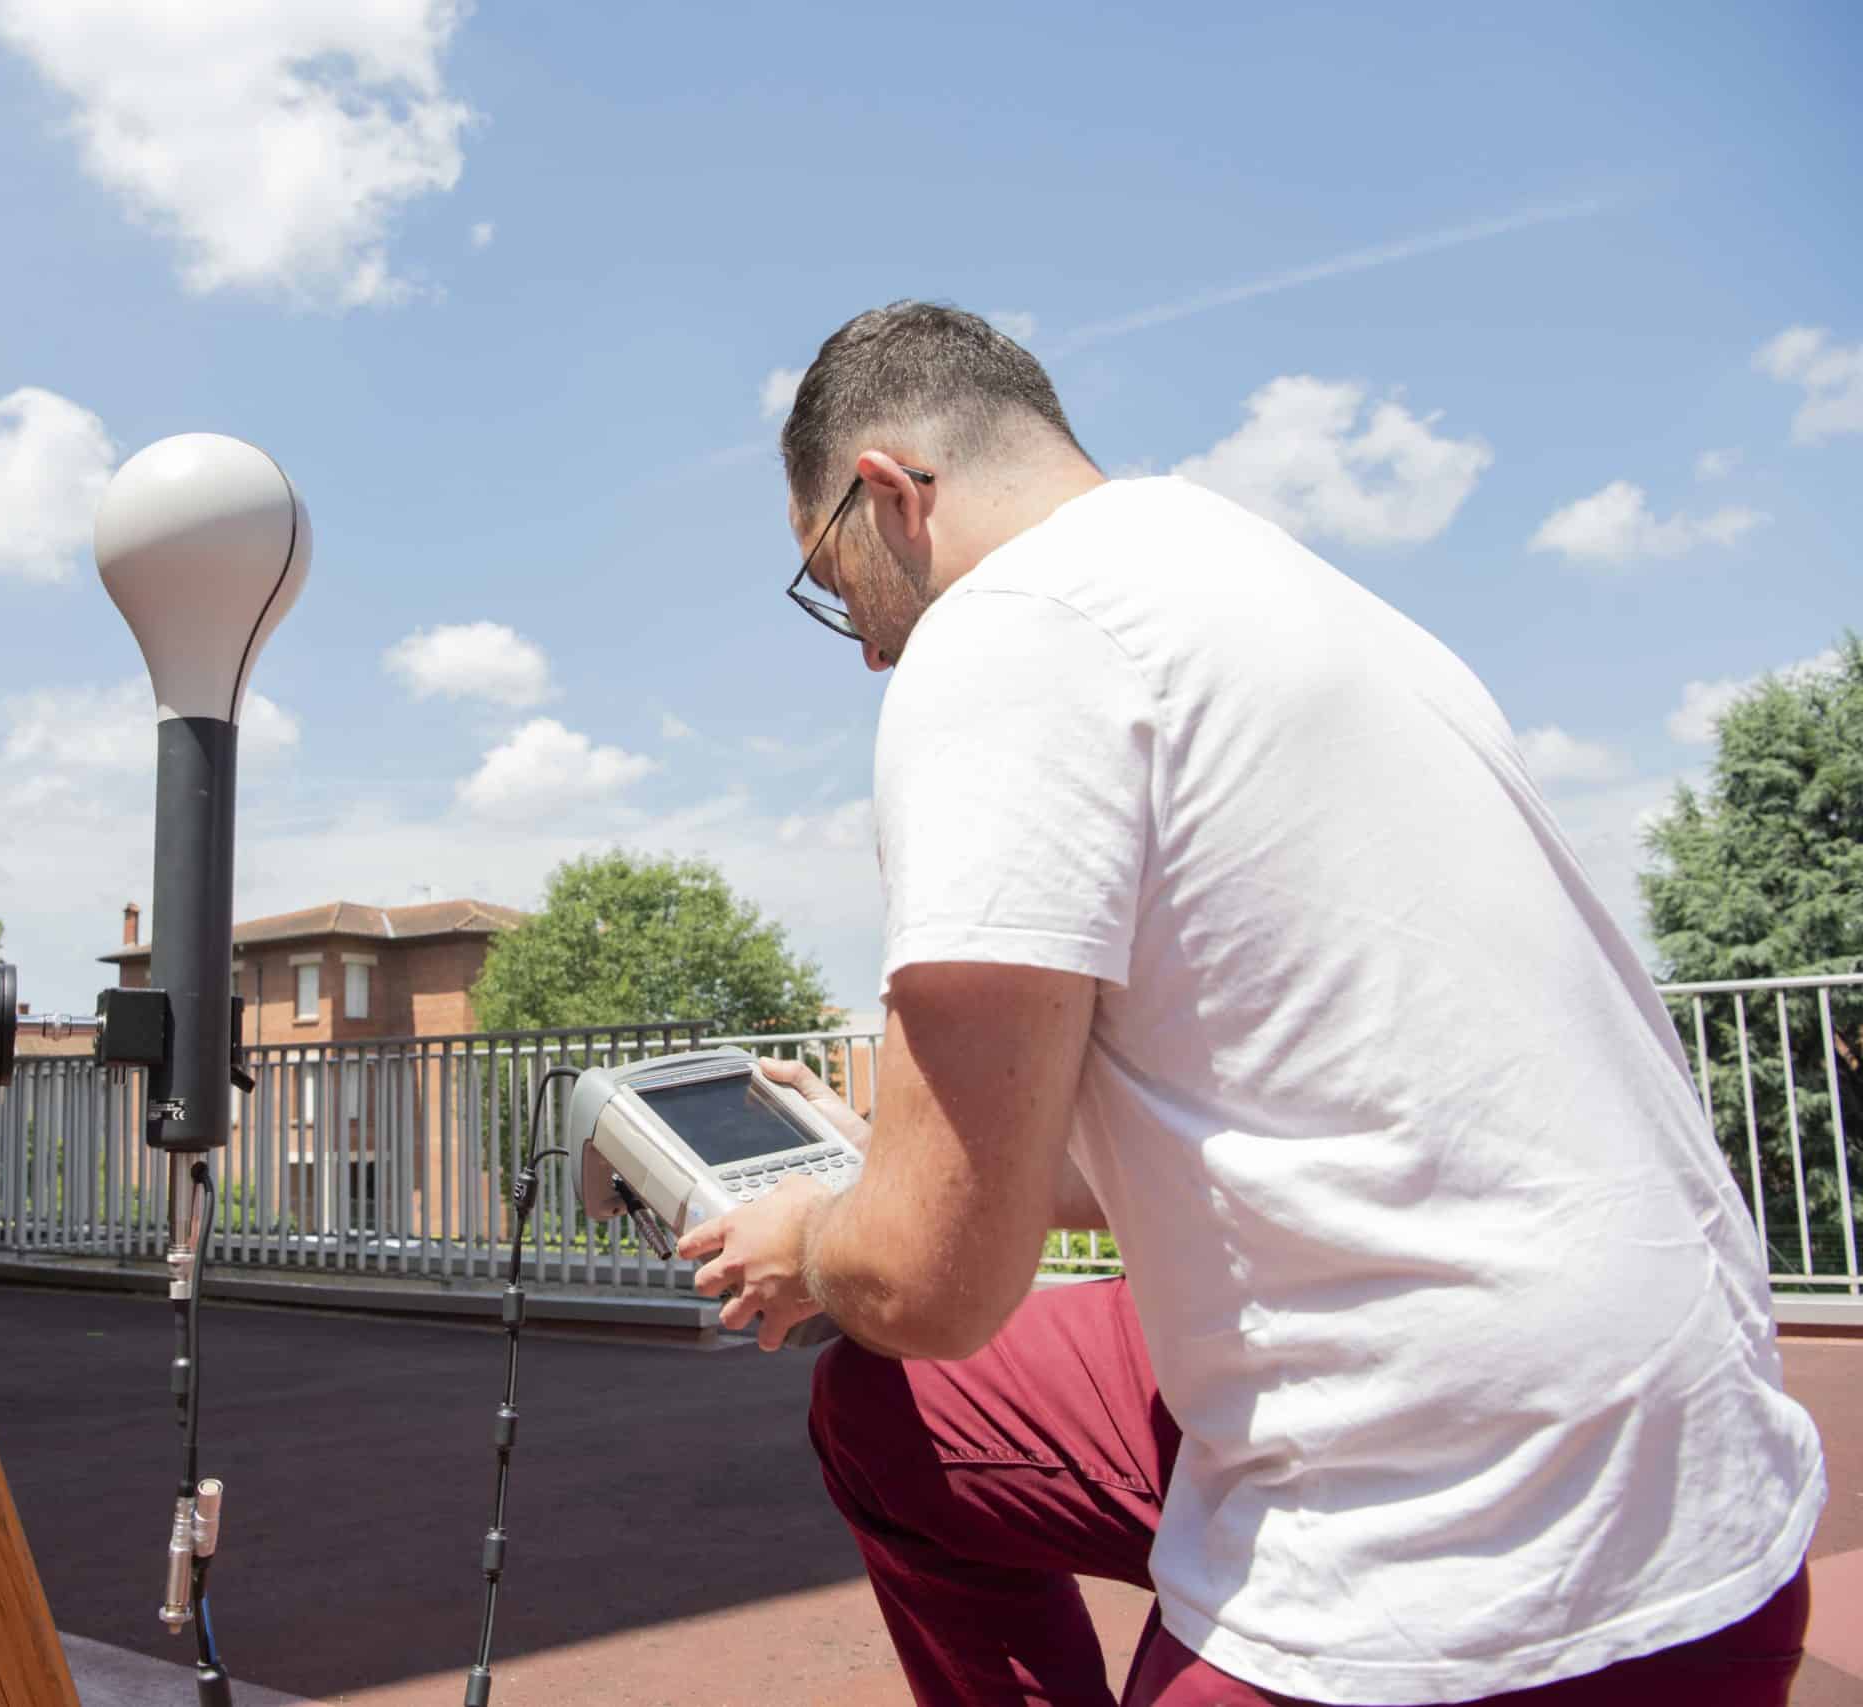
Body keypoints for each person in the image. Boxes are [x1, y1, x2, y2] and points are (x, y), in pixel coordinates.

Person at [675, 302, 1824, 1707]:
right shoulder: (1305, 598)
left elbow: (925, 1286)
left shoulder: (1005, 631)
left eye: (832, 581)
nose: (862, 647)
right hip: (1712, 1509)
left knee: (892, 1350)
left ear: (891, 492)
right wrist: (891, 1162)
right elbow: (1271, 1112)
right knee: (898, 1416)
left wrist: (816, 1238)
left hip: (1452, 1569)